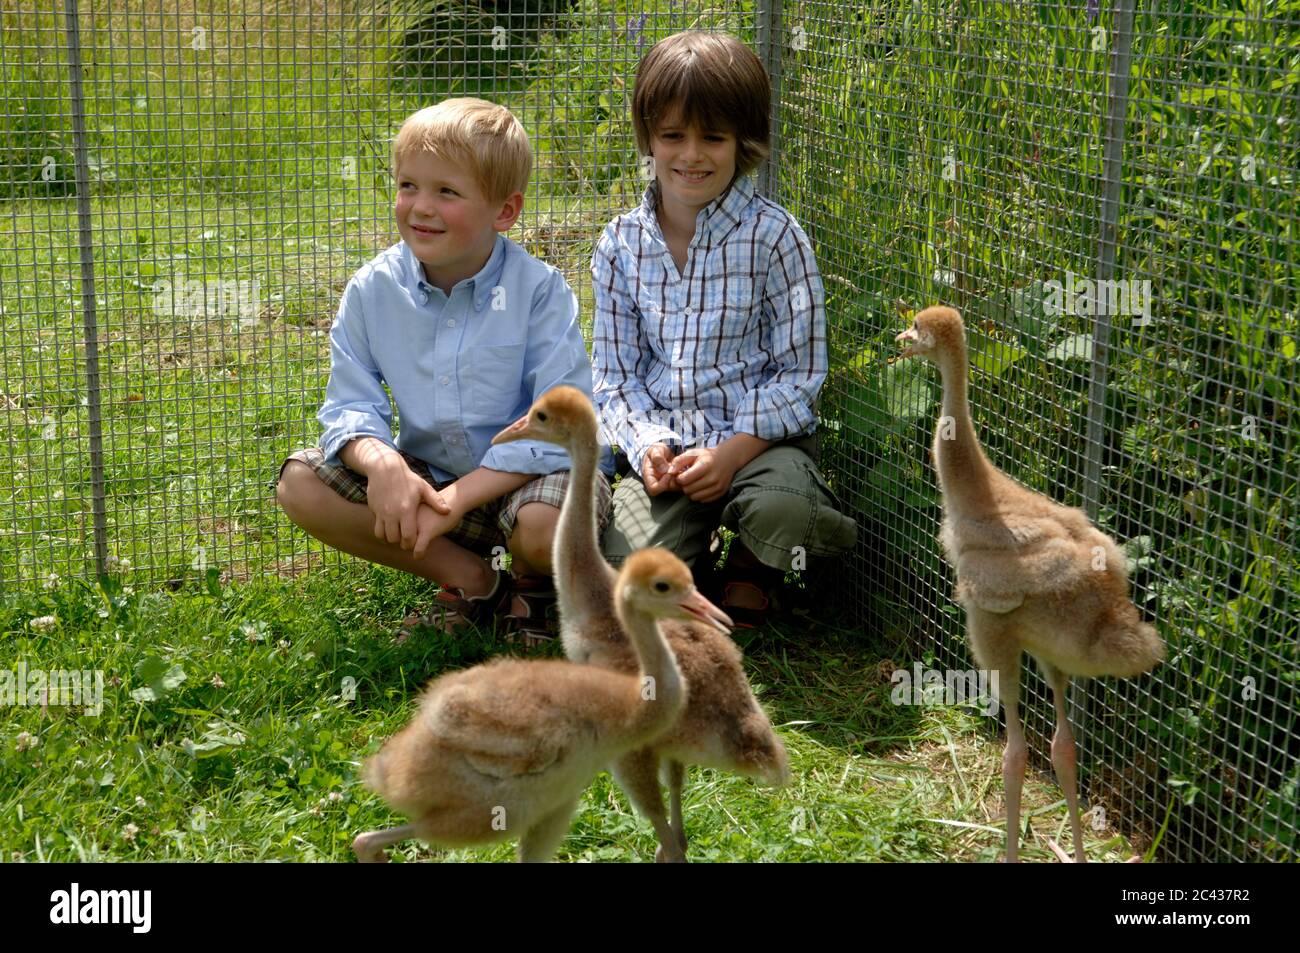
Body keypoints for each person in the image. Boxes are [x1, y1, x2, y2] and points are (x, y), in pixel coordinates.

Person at [277, 98, 610, 645]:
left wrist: (457, 502)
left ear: (504, 212)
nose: (420, 208)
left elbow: (562, 429)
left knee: (543, 525)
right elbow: (349, 406)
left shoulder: (540, 291)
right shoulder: (372, 290)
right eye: (409, 185)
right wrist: (382, 464)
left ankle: (535, 584)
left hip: (531, 481)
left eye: (446, 192)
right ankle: (473, 579)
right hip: (432, 479)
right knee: (300, 484)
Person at [592, 31, 856, 626]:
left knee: (785, 509)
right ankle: (692, 559)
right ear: (648, 139)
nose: (692, 155)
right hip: (669, 457)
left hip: (759, 445)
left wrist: (733, 452)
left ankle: (754, 571)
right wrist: (646, 444)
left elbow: (801, 373)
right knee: (623, 562)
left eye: (713, 137)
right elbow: (615, 375)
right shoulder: (620, 245)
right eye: (672, 136)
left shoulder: (775, 236)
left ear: (745, 141)